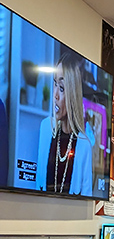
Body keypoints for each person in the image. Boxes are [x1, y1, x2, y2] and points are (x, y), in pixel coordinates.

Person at [37, 51, 93, 196]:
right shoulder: (45, 128)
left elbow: (87, 196)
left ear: (72, 95)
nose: (55, 94)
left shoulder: (84, 144)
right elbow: (38, 183)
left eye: (61, 88)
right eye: (55, 84)